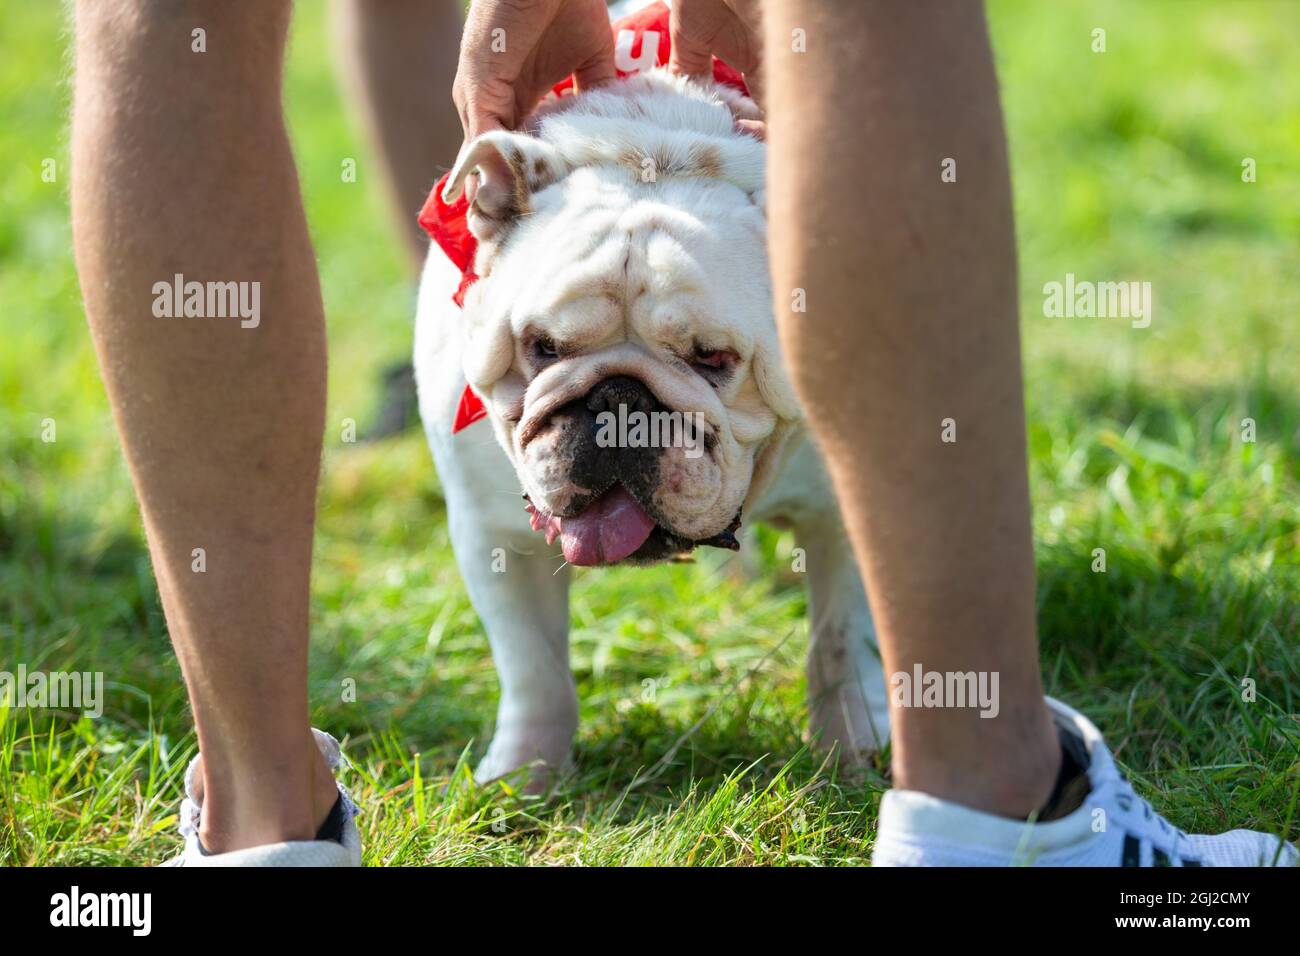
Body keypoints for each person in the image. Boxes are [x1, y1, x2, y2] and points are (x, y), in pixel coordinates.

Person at [71, 0, 1294, 866]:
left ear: (800, 268)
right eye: (549, 355)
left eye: (703, 362)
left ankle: (257, 828)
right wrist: (534, 721)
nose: (610, 416)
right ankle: (992, 809)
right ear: (478, 255)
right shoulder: (488, 286)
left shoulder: (762, 240)